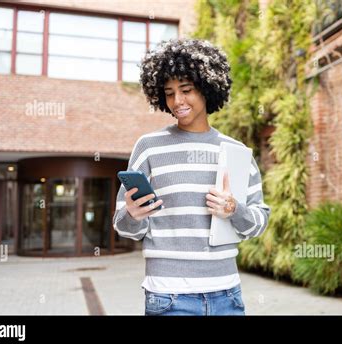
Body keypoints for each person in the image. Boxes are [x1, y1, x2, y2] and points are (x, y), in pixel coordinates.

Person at [112, 38, 271, 316]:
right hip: (168, 296)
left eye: (186, 90)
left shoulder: (236, 151)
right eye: (169, 93)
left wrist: (234, 209)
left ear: (207, 88)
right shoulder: (149, 147)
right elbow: (122, 225)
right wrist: (133, 215)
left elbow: (258, 223)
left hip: (227, 295)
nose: (177, 101)